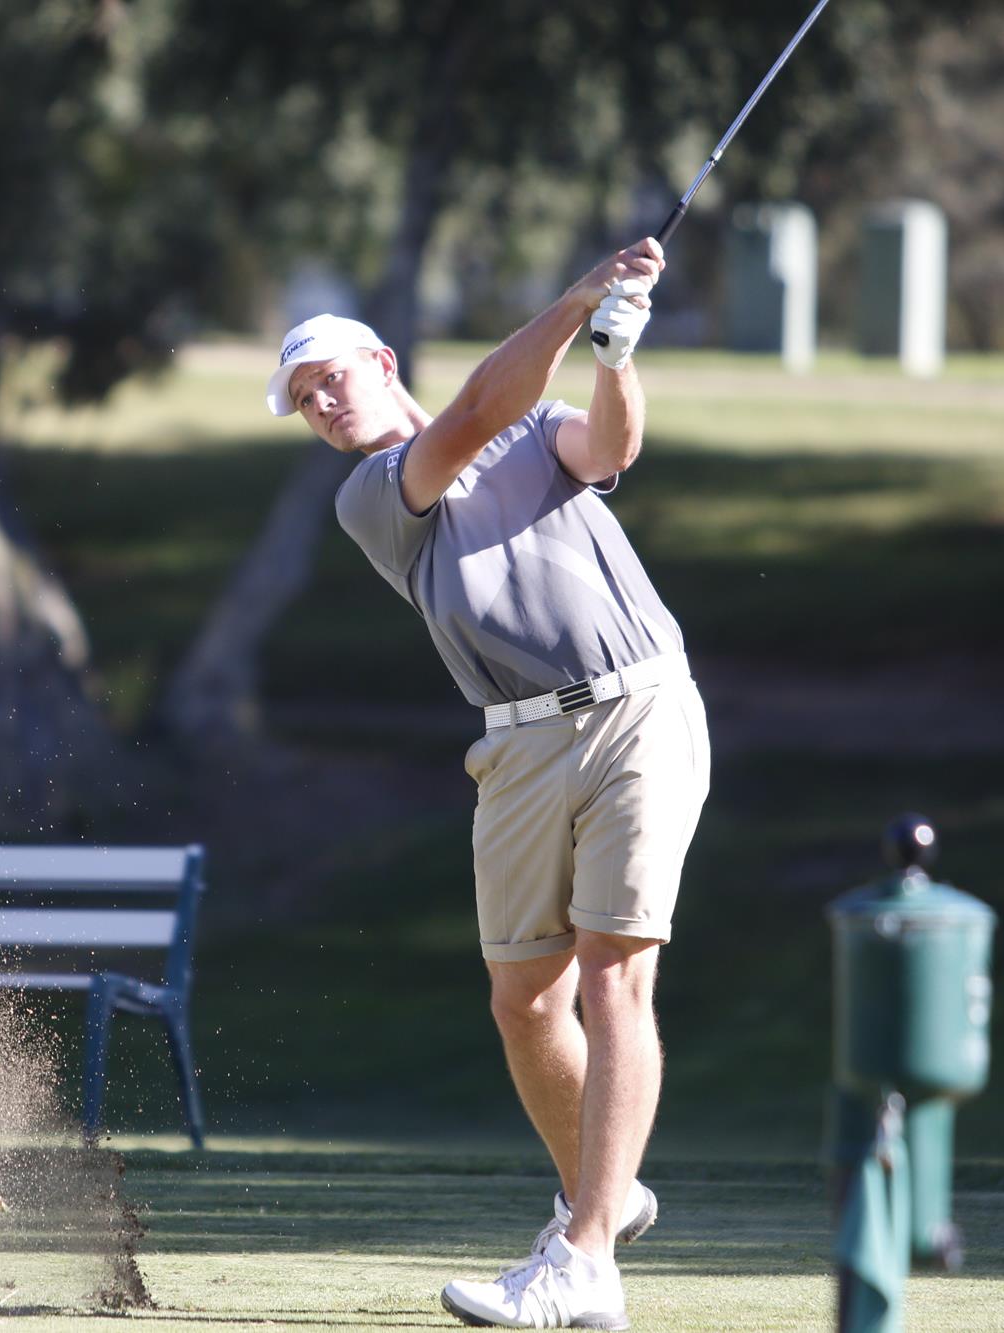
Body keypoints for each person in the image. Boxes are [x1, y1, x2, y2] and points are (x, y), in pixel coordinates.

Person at [265, 238, 709, 1331]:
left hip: (638, 707)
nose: (322, 403)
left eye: (330, 377)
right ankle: (607, 1189)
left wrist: (611, 352)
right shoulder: (371, 495)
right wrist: (576, 297)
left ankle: (585, 1250)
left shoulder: (528, 423)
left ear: (377, 359)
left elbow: (606, 445)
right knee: (524, 1003)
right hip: (511, 745)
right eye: (302, 399)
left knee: (610, 980)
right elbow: (466, 410)